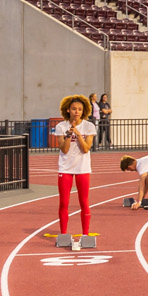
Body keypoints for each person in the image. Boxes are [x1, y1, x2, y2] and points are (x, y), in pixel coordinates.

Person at [53, 94, 98, 250]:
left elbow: (86, 149)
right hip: (65, 168)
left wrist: (78, 133)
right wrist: (68, 133)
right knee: (64, 202)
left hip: (82, 168)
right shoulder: (61, 126)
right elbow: (64, 149)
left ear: (83, 110)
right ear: (68, 110)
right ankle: (64, 234)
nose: (76, 112)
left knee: (84, 202)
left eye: (79, 109)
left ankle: (85, 235)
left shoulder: (89, 126)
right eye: (74, 109)